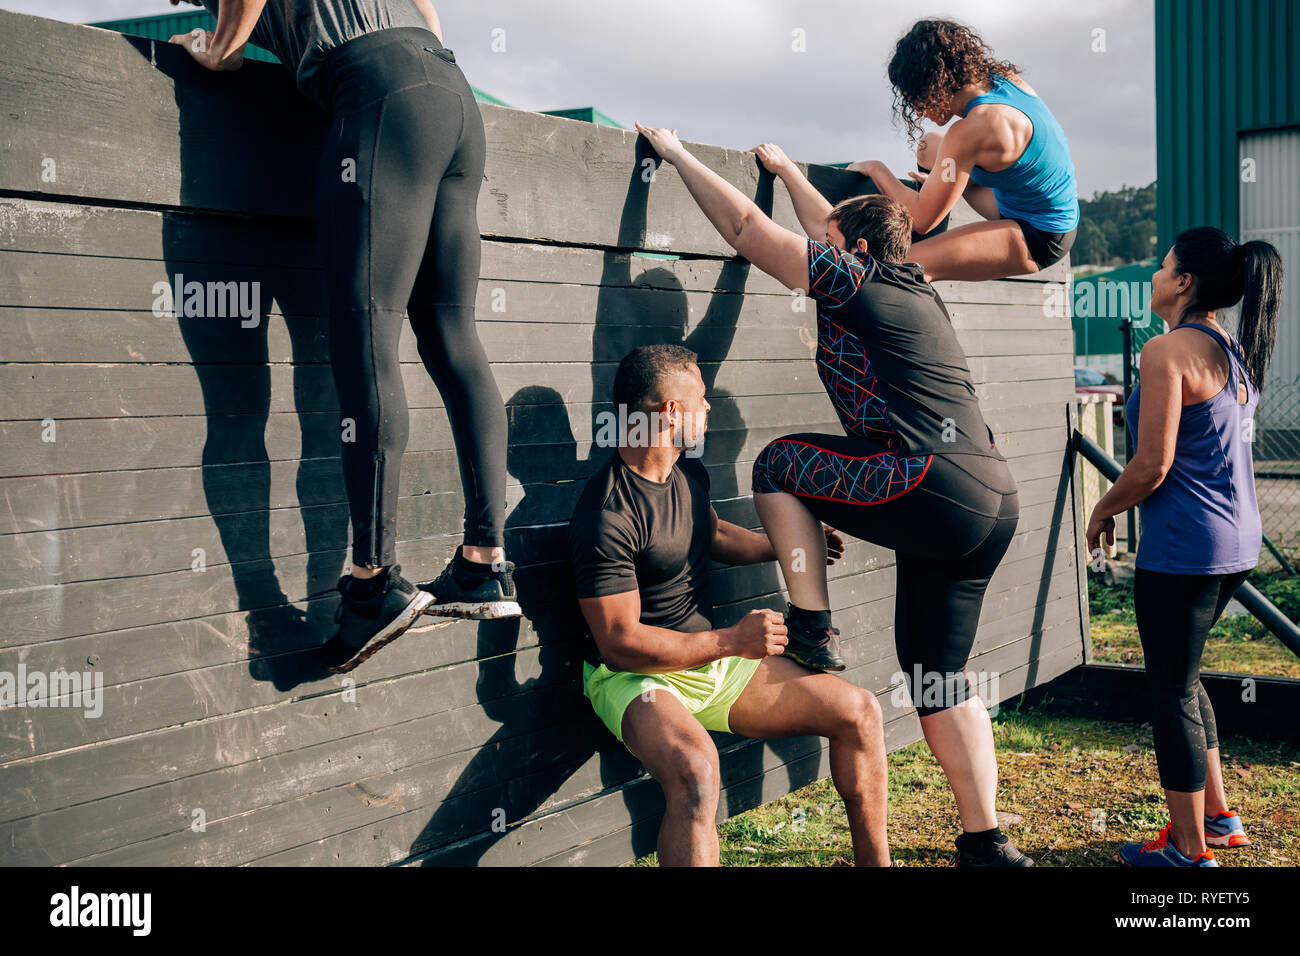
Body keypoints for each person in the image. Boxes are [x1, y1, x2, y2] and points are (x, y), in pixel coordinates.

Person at [634, 121, 1030, 866]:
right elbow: (835, 227)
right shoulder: (909, 281)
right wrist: (786, 170)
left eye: (829, 241)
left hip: (930, 482)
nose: (819, 246)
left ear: (847, 253)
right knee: (937, 673)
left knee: (779, 464)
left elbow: (751, 230)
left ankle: (812, 630)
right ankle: (987, 842)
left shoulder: (854, 276)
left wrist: (678, 152)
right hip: (991, 500)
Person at [168, 0, 520, 675]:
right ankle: (485, 563)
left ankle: (373, 581)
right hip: (448, 91)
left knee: (367, 338)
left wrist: (220, 52)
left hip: (378, 92)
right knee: (453, 338)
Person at [569, 344, 891, 867]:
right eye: (700, 397)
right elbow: (620, 643)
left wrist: (790, 545)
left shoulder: (687, 474)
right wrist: (731, 642)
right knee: (697, 770)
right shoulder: (608, 512)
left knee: (859, 712)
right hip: (633, 678)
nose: (709, 408)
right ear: (671, 412)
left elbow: (713, 533)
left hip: (707, 661)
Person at [1087, 227, 1283, 867]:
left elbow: (1151, 464)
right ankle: (1219, 818)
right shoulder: (1233, 346)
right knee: (1185, 677)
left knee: (1169, 691)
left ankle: (1191, 854)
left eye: (1162, 265)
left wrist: (1101, 508)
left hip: (1185, 551)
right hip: (1236, 544)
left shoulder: (1166, 352)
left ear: (1183, 282)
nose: (1154, 275)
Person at [847, 18, 1079, 283]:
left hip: (1041, 234)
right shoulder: (1004, 80)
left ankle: (925, 261)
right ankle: (933, 215)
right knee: (929, 145)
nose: (918, 112)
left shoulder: (973, 129)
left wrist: (876, 169)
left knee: (898, 268)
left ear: (932, 85)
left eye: (916, 100)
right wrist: (941, 182)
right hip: (1013, 199)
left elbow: (922, 219)